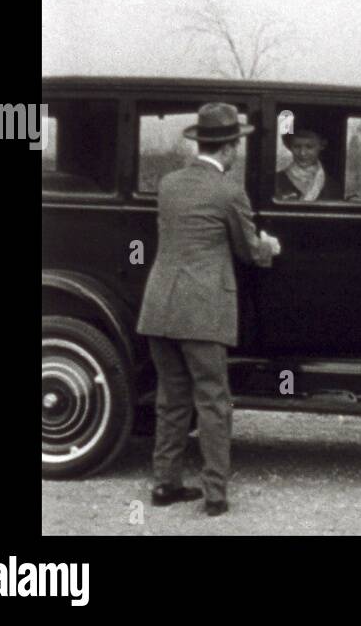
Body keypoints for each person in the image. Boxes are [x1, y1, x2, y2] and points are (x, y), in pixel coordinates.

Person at [136, 102, 278, 517]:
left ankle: (165, 484)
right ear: (230, 148)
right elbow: (249, 252)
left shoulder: (169, 184)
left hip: (160, 307)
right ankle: (214, 495)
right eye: (237, 144)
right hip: (202, 312)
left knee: (172, 400)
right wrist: (270, 246)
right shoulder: (230, 191)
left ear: (200, 143)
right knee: (214, 402)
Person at [275, 128, 343, 201]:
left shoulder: (333, 186)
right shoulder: (276, 181)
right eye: (297, 146)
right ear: (290, 147)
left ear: (321, 146)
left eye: (309, 147)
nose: (302, 153)